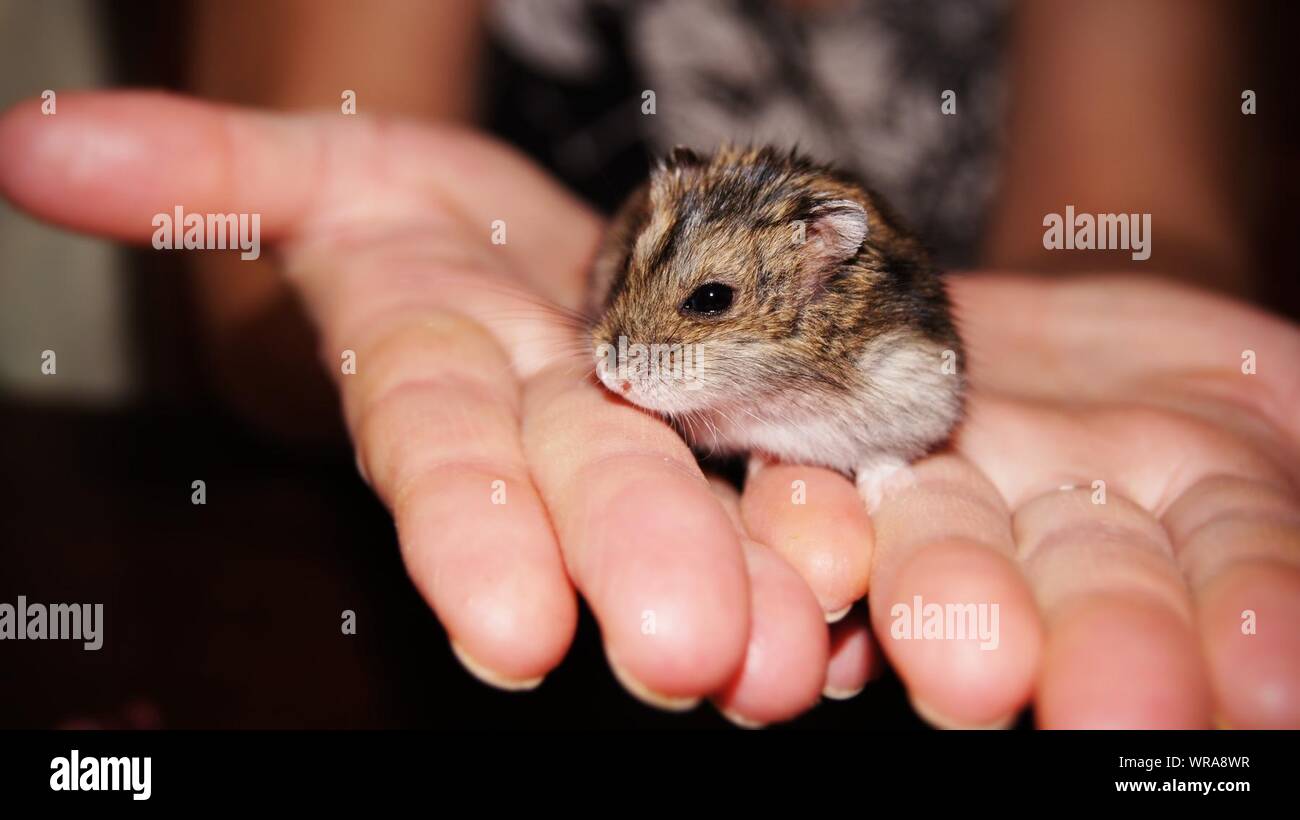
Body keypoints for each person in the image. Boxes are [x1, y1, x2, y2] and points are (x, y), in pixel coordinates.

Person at [0, 0, 1295, 728]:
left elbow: (1142, 201)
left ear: (820, 283)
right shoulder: (670, 273)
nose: (625, 343)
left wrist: (1124, 309)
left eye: (712, 303)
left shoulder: (871, 337)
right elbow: (258, 322)